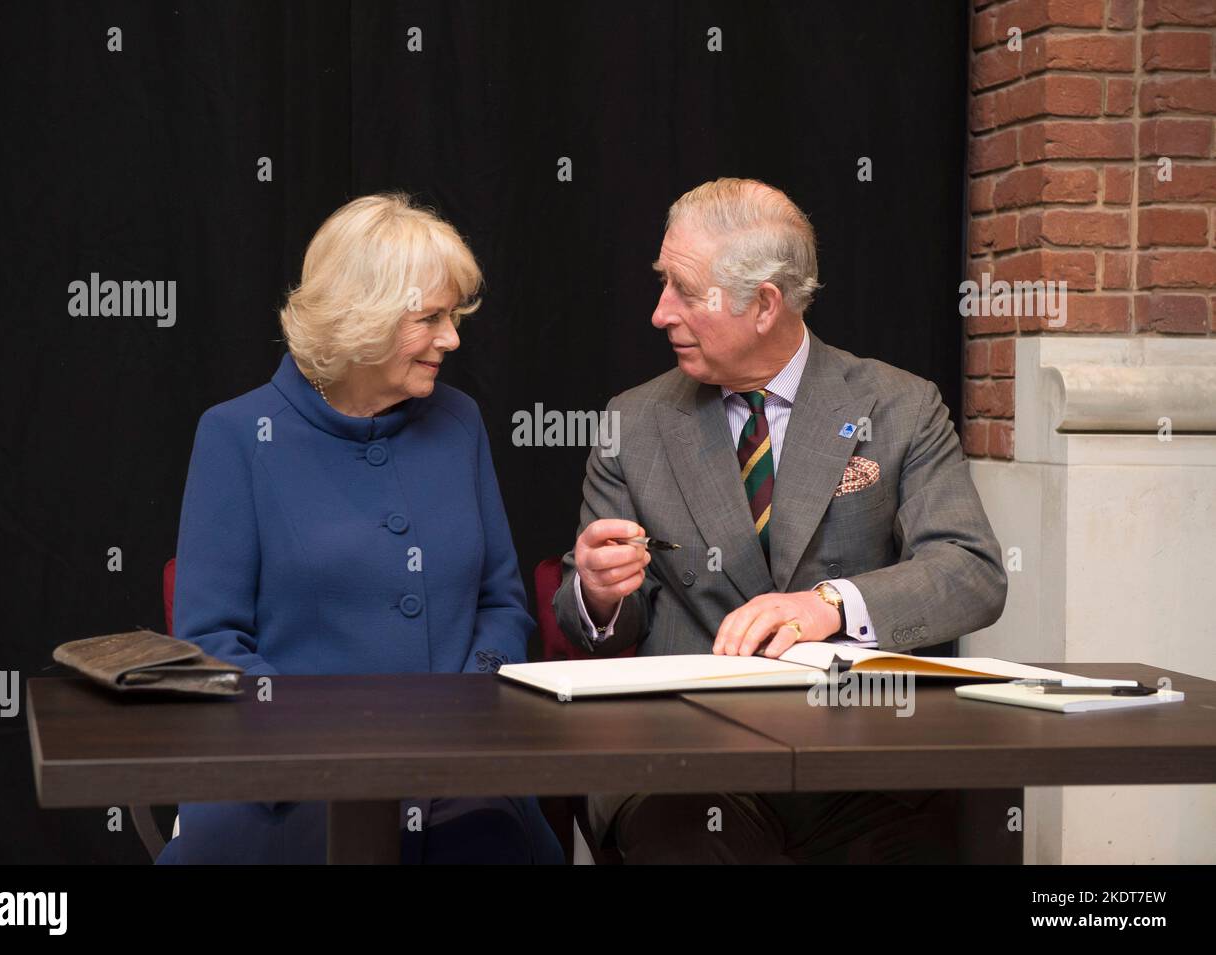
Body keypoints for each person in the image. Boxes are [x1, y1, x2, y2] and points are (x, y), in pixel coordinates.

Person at [553, 177, 1007, 864]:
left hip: (864, 768)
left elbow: (971, 571)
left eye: (682, 289)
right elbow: (596, 615)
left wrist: (832, 604)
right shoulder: (633, 422)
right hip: (686, 766)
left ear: (764, 304)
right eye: (660, 283)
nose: (658, 312)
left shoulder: (902, 406)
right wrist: (598, 591)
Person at [156, 193, 563, 864]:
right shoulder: (235, 436)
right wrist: (341, 746)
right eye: (430, 317)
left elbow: (502, 603)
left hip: (464, 779)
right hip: (287, 784)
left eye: (454, 316)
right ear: (360, 321)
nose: (453, 338)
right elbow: (210, 643)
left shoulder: (460, 423)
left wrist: (465, 711)